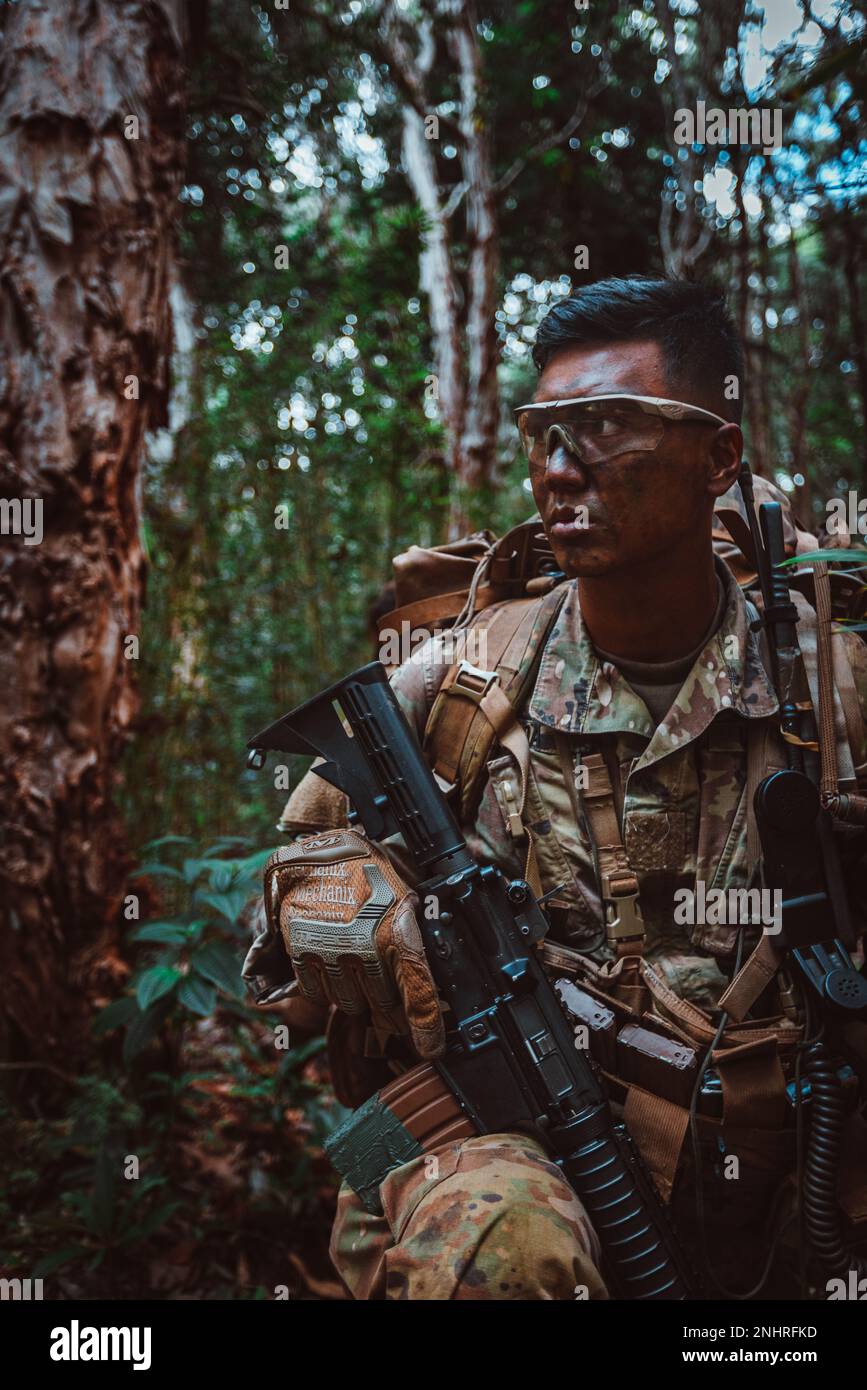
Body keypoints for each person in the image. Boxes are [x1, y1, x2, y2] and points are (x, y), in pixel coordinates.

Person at [244, 277, 867, 1300]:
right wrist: (387, 927)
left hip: (792, 1175)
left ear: (718, 457)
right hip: (510, 1159)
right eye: (545, 433)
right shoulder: (457, 686)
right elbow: (278, 910)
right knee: (505, 1245)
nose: (559, 467)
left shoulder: (834, 690)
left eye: (608, 428)